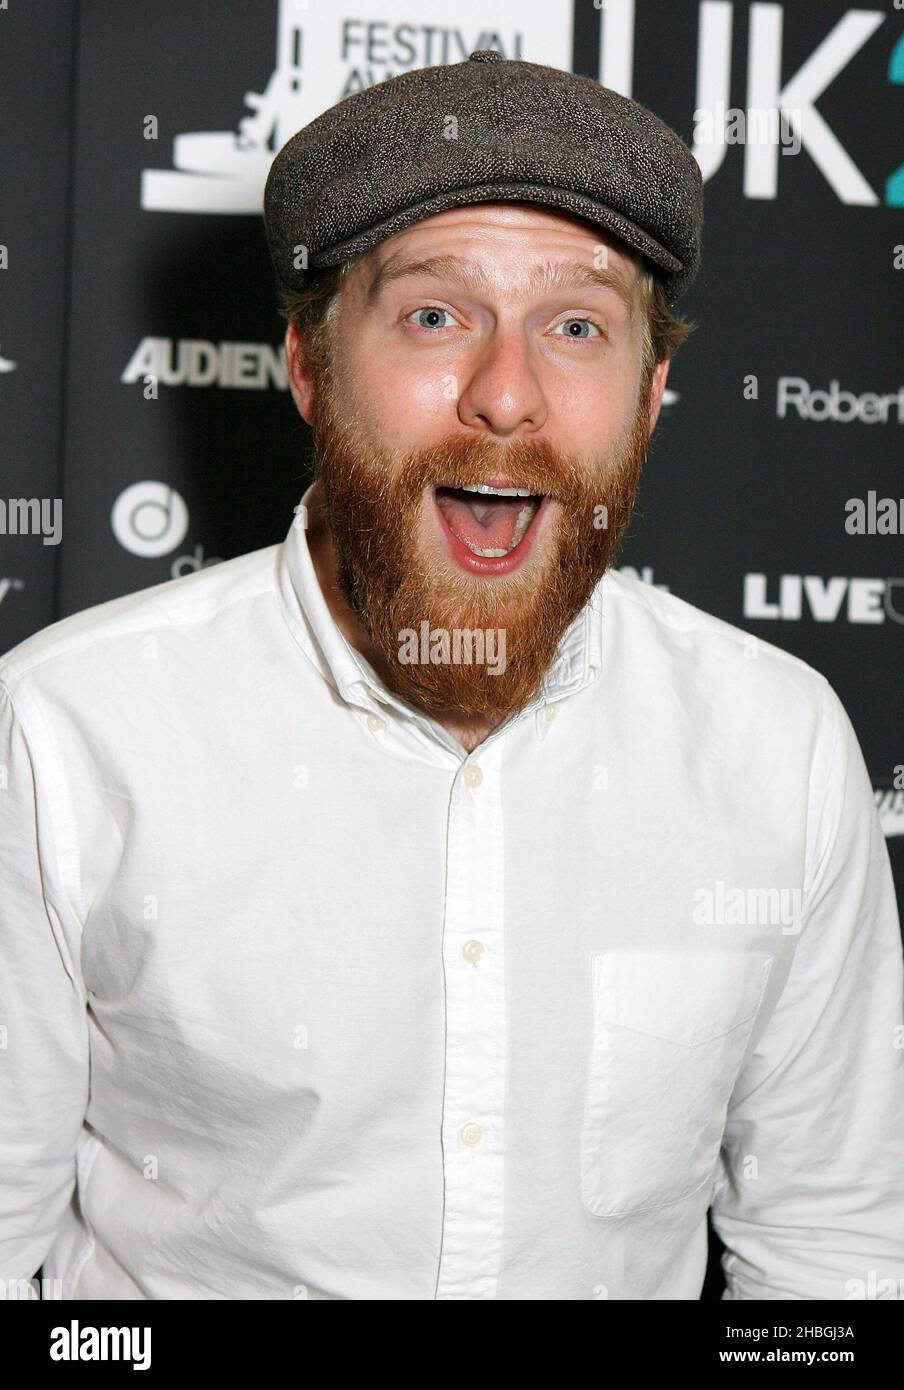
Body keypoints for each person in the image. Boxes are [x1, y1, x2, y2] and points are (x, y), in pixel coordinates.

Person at [1, 50, 901, 1302]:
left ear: (651, 395)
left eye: (575, 326)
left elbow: (832, 1256)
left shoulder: (775, 742)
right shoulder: (64, 731)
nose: (506, 396)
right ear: (308, 366)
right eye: (434, 315)